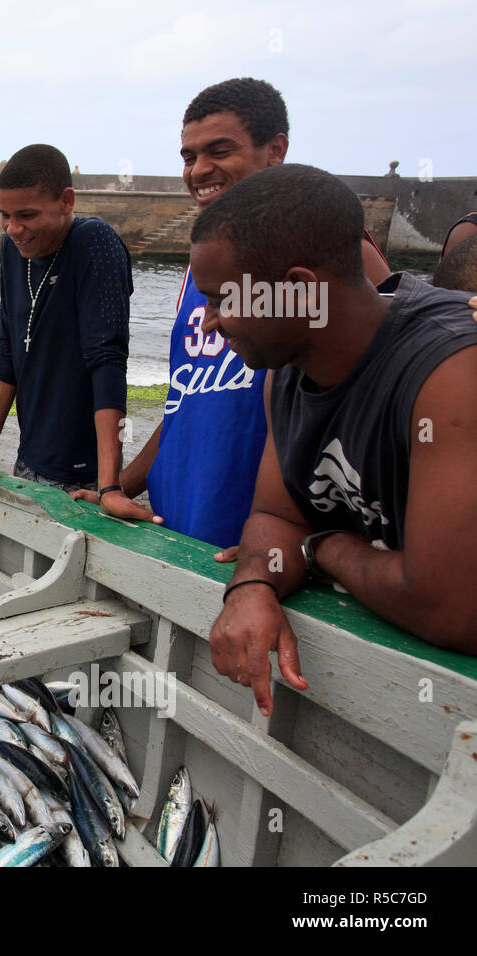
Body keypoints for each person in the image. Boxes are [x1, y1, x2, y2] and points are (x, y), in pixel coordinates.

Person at [198, 164, 477, 716]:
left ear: (301, 293)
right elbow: (277, 517)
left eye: (224, 301)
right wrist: (253, 585)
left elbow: (449, 609)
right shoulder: (287, 372)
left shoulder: (449, 372)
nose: (209, 324)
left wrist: (320, 548)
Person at [83, 78, 392, 556]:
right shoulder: (205, 266)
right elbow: (187, 399)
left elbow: (378, 407)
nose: (200, 170)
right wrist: (119, 486)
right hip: (179, 518)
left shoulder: (336, 254)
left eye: (219, 151)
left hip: (262, 538)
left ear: (276, 149)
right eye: (188, 156)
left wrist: (313, 547)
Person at [0, 144, 146, 521]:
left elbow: (107, 359)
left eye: (26, 215)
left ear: (66, 201)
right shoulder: (12, 249)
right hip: (29, 460)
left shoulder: (96, 243)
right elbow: (6, 351)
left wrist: (109, 486)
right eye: (5, 216)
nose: (13, 229)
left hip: (84, 478)